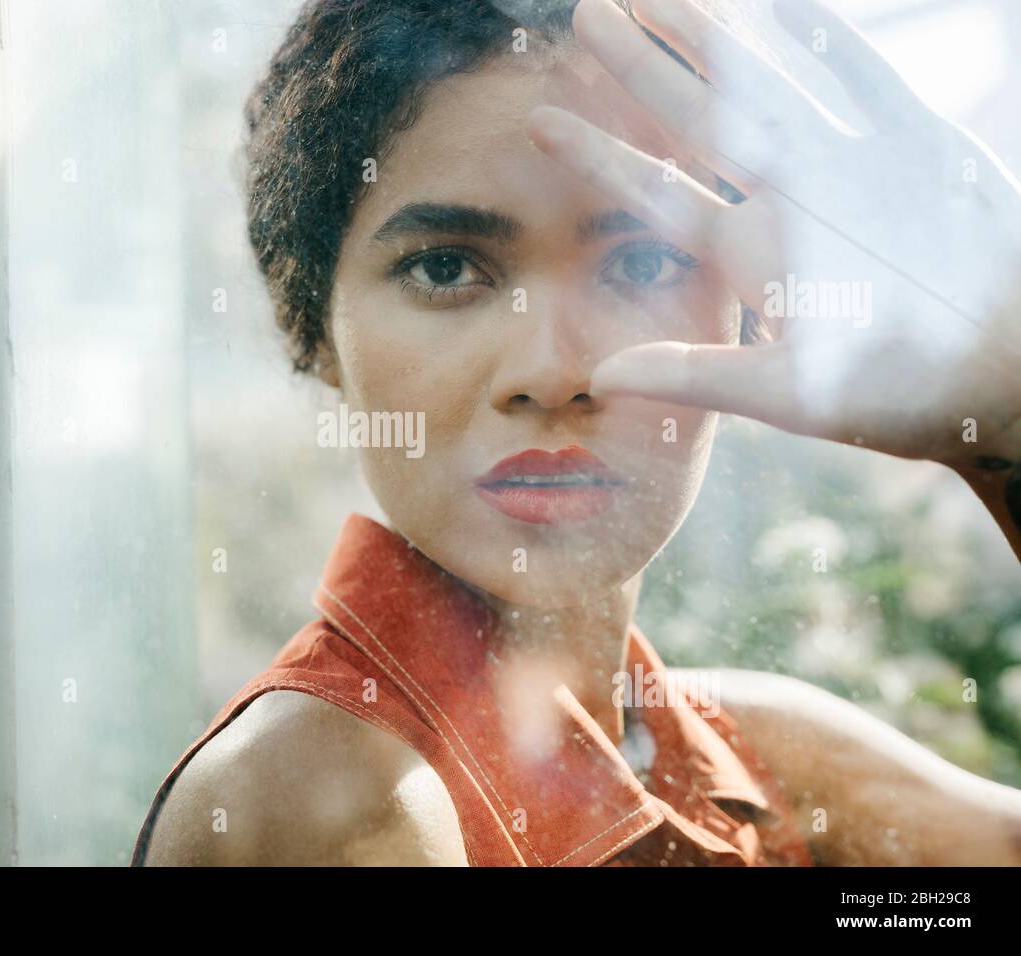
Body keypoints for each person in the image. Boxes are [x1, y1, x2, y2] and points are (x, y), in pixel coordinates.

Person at [133, 0, 1021, 866]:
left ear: (753, 317)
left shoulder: (759, 760)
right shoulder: (330, 804)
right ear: (317, 326)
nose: (553, 372)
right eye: (446, 267)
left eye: (643, 261)